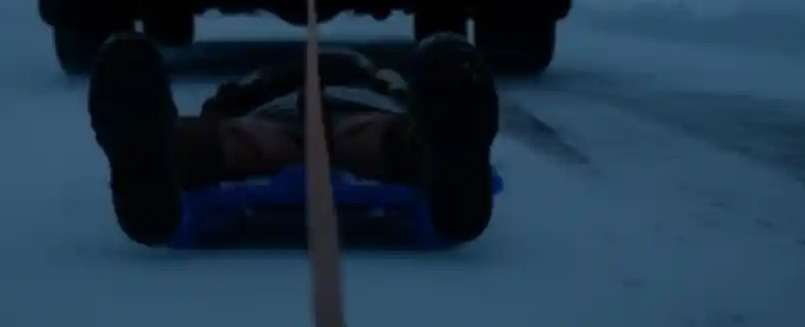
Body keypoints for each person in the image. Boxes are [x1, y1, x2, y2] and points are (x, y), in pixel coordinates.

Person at [87, 31, 500, 247]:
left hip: (270, 121)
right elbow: (403, 99)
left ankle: (166, 151)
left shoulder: (259, 80)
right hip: (360, 115)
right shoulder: (373, 76)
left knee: (240, 140)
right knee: (372, 138)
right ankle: (434, 156)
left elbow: (221, 109)